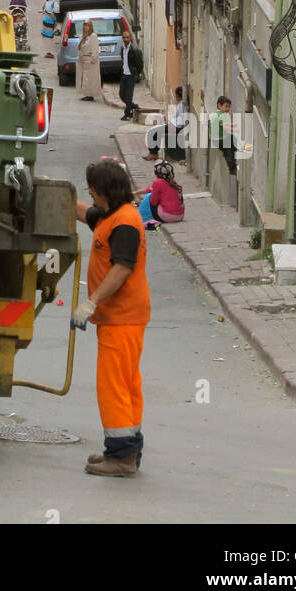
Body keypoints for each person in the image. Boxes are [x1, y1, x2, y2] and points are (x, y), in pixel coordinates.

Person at [72, 159, 150, 477]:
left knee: (113, 386)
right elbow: (83, 212)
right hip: (121, 318)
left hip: (122, 318)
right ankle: (125, 450)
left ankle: (122, 459)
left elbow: (122, 268)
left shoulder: (126, 223)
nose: (90, 197)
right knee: (127, 384)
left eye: (93, 192)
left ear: (105, 192)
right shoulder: (111, 214)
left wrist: (90, 302)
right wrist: (54, 192)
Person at [143, 85, 187, 162]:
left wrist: (172, 127)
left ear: (177, 95)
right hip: (173, 125)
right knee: (155, 131)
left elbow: (180, 122)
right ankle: (154, 153)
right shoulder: (182, 104)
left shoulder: (182, 106)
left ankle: (153, 153)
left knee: (152, 132)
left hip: (175, 127)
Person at [136, 160, 185, 227]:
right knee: (154, 195)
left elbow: (153, 202)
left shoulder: (157, 182)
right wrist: (135, 192)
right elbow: (150, 189)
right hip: (180, 216)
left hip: (168, 216)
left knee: (148, 196)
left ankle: (142, 219)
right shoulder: (172, 182)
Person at [118, 29, 143, 122]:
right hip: (124, 74)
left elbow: (140, 63)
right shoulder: (122, 48)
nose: (125, 39)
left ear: (130, 38)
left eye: (127, 37)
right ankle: (134, 106)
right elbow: (123, 60)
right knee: (121, 94)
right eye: (124, 37)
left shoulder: (134, 50)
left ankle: (127, 114)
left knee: (128, 95)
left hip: (131, 75)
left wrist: (137, 74)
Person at [211, 95, 239, 176]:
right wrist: (236, 130)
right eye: (226, 106)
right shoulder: (221, 115)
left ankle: (233, 153)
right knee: (228, 150)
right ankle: (232, 169)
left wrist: (233, 126)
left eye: (229, 107)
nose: (227, 109)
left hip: (216, 139)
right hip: (219, 140)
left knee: (231, 141)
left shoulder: (217, 114)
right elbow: (225, 127)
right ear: (219, 105)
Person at [76, 19, 102, 101]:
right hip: (83, 59)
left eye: (87, 25)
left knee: (90, 78)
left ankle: (90, 95)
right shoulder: (82, 36)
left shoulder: (93, 36)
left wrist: (93, 59)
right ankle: (86, 94)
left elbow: (95, 49)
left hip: (90, 60)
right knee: (85, 78)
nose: (85, 27)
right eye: (85, 25)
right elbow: (80, 48)